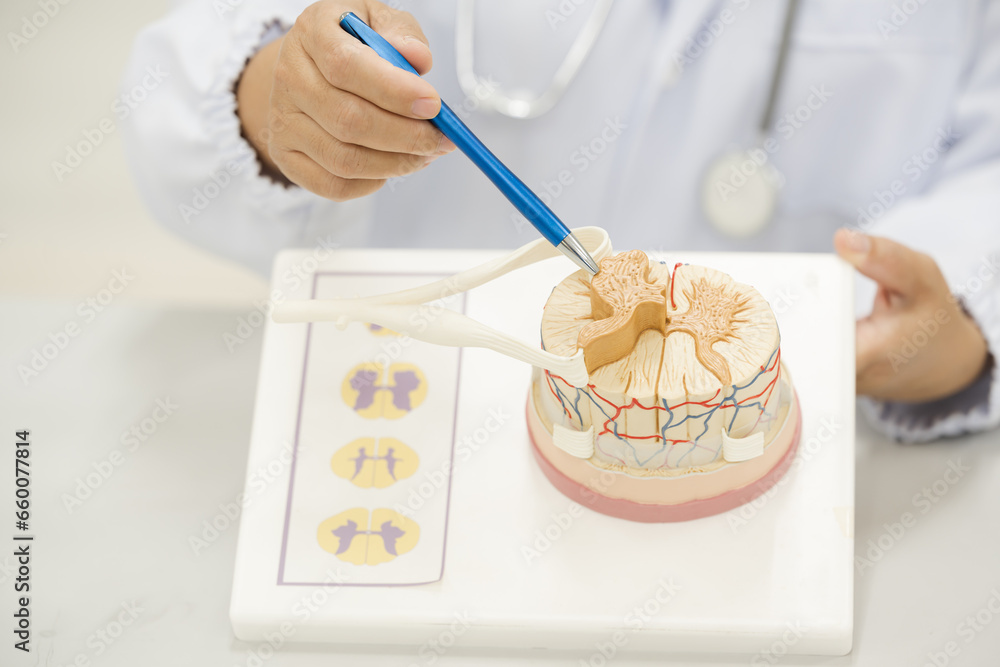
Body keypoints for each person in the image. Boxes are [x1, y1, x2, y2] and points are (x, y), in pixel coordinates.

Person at [120, 0, 998, 441]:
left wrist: (962, 313)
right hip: (416, 420)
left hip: (782, 438)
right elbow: (186, 81)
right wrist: (270, 100)